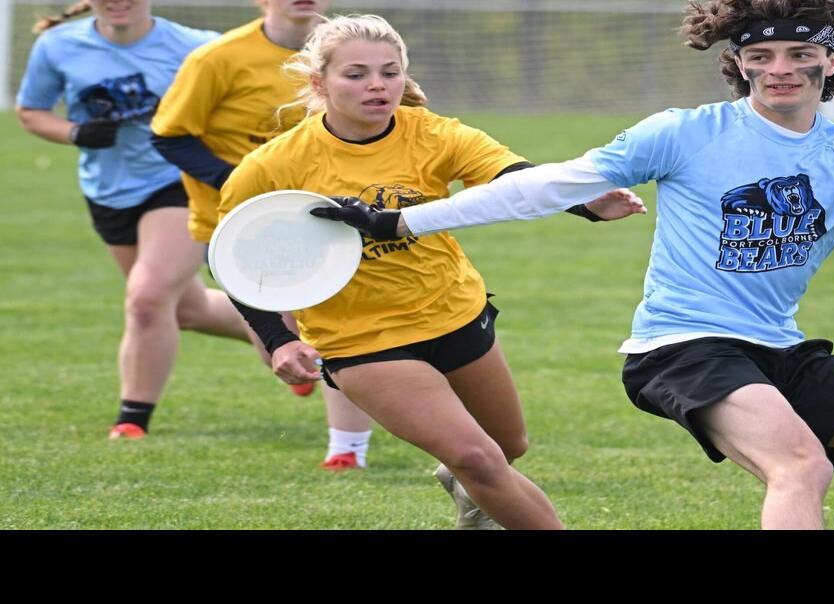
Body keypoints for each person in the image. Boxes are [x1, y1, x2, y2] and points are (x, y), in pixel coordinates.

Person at [313, 0, 834, 529]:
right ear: (738, 67)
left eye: (800, 55)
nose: (780, 70)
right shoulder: (683, 134)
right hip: (680, 347)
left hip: (776, 346)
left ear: (832, 62)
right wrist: (405, 222)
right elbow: (543, 188)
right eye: (760, 58)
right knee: (797, 465)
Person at [218, 14, 645, 529]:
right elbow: (235, 261)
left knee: (507, 446)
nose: (377, 85)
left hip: (454, 312)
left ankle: (465, 484)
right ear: (319, 83)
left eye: (389, 72)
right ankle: (476, 481)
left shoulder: (434, 133)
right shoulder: (272, 165)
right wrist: (277, 339)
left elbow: (514, 179)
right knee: (481, 459)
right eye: (355, 74)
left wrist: (584, 204)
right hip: (363, 340)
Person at [149, 0, 386, 472]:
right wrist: (240, 182)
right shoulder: (217, 58)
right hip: (244, 218)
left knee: (342, 323)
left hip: (329, 212)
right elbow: (168, 135)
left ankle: (346, 450)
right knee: (280, 336)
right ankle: (289, 352)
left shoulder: (359, 54)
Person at [15, 0, 256, 440]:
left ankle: (132, 420)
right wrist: (74, 132)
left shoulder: (196, 47)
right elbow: (31, 111)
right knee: (186, 309)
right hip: (107, 191)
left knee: (146, 299)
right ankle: (283, 336)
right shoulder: (57, 45)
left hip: (180, 182)